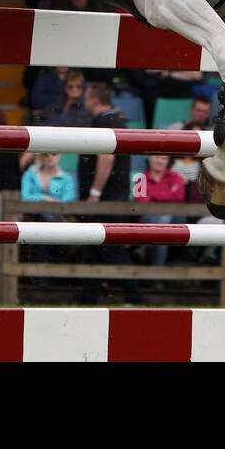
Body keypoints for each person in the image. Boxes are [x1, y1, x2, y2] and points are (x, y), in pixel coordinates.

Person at [77, 82, 141, 305]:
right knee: (97, 248)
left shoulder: (104, 121)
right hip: (114, 196)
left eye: (86, 97)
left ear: (94, 100)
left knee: (111, 248)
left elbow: (106, 158)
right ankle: (88, 298)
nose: (84, 102)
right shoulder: (117, 120)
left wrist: (94, 192)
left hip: (106, 199)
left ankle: (134, 296)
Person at [135, 154, 186, 267]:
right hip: (148, 219)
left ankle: (145, 250)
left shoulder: (175, 177)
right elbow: (141, 203)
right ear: (150, 158)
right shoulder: (140, 179)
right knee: (163, 224)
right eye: (157, 157)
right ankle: (157, 273)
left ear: (168, 161)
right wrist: (169, 194)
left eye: (163, 158)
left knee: (164, 221)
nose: (160, 161)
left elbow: (179, 197)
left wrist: (152, 195)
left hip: (174, 220)